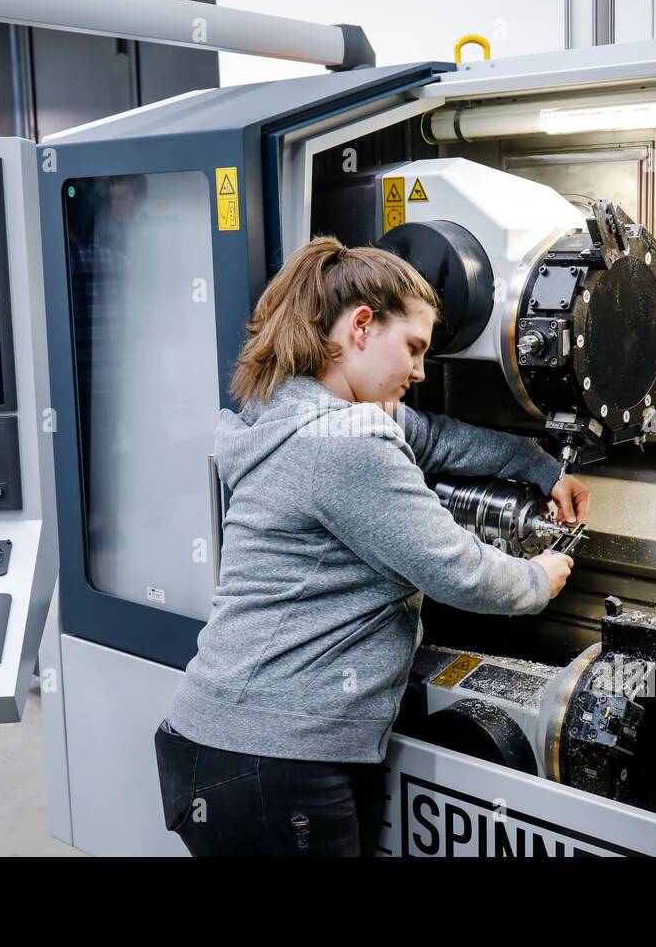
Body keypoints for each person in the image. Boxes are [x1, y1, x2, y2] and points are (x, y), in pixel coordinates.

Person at [154, 236, 589, 856]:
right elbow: (458, 571)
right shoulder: (345, 442)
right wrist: (538, 579)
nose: (418, 372)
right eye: (412, 348)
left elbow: (436, 439)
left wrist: (542, 467)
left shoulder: (295, 405)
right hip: (271, 758)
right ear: (362, 325)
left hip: (231, 745)